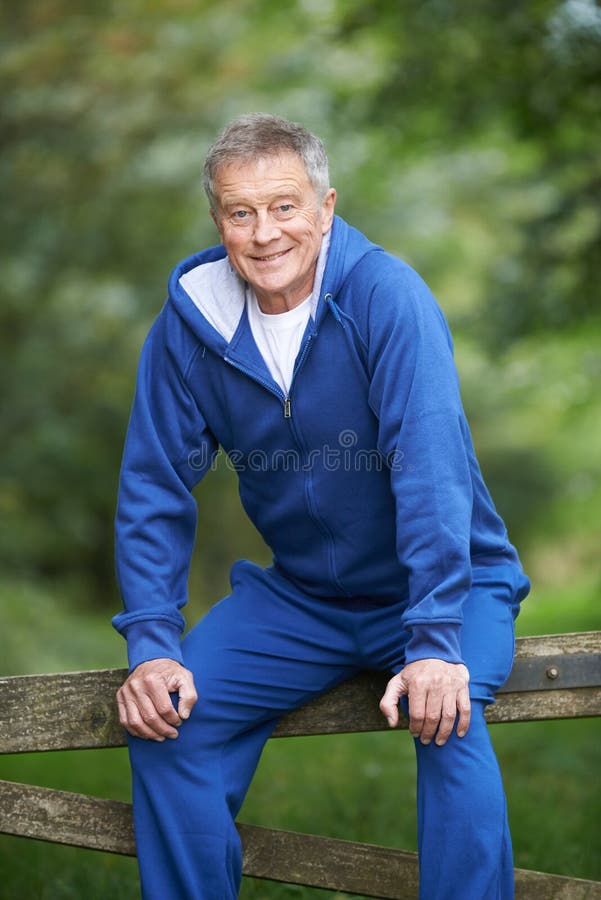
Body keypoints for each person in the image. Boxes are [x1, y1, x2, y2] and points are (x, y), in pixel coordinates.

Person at [113, 113, 530, 900]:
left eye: (284, 206)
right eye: (241, 212)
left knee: (448, 718)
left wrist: (436, 640)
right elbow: (152, 488)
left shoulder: (385, 299)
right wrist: (152, 642)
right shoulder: (188, 328)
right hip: (302, 598)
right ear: (218, 222)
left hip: (446, 588)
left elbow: (430, 472)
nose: (264, 233)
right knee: (167, 722)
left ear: (327, 207)